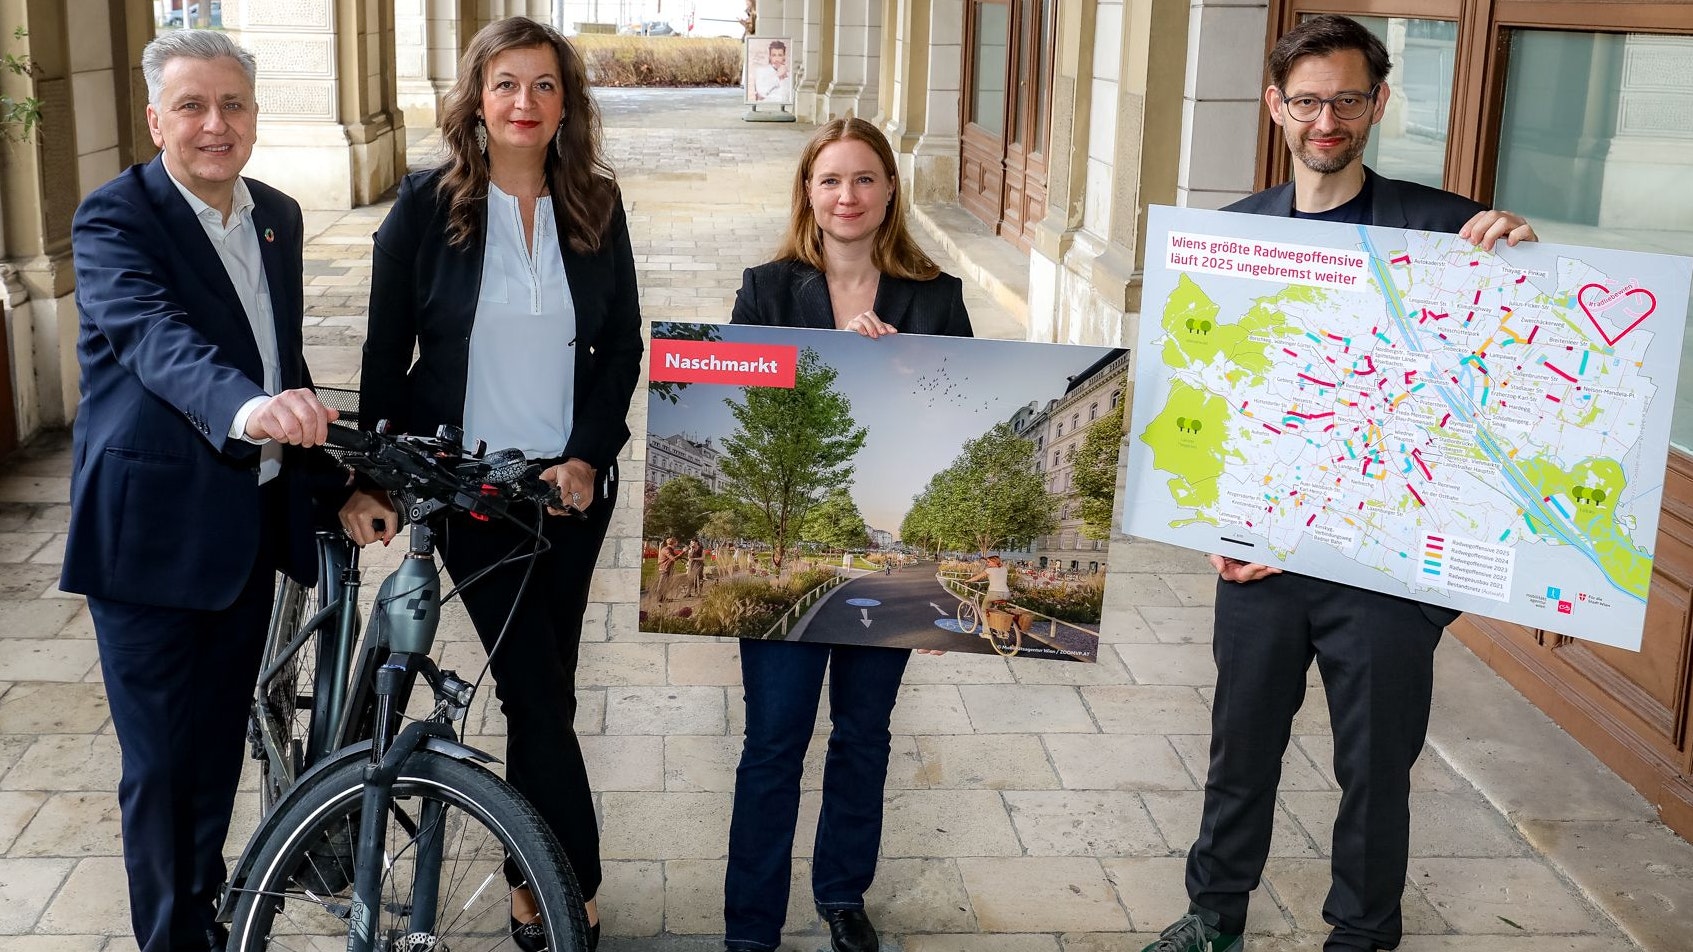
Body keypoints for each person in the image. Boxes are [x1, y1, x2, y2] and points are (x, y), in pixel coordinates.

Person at [1139, 15, 1536, 952]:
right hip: (1262, 563)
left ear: (1377, 105)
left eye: (1347, 99)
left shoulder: (1444, 227)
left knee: (1374, 770)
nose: (1327, 119)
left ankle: (1361, 935)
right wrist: (1207, 518)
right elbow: (1198, 399)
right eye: (1308, 100)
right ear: (1276, 106)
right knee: (1239, 752)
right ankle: (1212, 917)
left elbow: (1515, 358)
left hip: (1385, 575)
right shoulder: (1231, 238)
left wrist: (1524, 248)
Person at [337, 15, 643, 951]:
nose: (524, 102)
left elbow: (621, 345)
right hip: (471, 487)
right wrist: (369, 478)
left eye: (544, 85)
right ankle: (568, 890)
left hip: (569, 490)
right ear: (476, 99)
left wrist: (588, 455)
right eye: (506, 83)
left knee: (548, 684)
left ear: (566, 105)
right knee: (534, 690)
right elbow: (387, 354)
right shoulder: (426, 208)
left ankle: (528, 873)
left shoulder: (595, 202)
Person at [61, 29, 343, 952]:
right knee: (163, 771)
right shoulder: (115, 220)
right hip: (150, 540)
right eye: (191, 106)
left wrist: (342, 477)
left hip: (247, 528)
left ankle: (206, 921)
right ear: (156, 120)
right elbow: (156, 342)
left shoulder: (279, 217)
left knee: (215, 752)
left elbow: (282, 360)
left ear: (255, 116)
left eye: (232, 105)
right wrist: (254, 409)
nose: (214, 125)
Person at [723, 116, 972, 952]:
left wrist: (906, 368)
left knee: (863, 737)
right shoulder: (765, 287)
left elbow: (954, 426)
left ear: (891, 189)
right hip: (788, 537)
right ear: (807, 191)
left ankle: (841, 898)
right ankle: (750, 926)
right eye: (829, 179)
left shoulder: (936, 296)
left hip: (883, 579)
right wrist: (828, 359)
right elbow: (743, 411)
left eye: (863, 178)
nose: (846, 196)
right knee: (772, 744)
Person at [752, 39, 792, 103]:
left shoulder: (789, 74)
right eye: (774, 55)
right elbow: (762, 93)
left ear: (784, 57)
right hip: (764, 106)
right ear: (770, 57)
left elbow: (786, 97)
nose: (777, 59)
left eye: (780, 55)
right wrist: (778, 77)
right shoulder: (761, 71)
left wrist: (782, 77)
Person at [656, 536, 684, 602]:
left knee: (665, 584)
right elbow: (674, 558)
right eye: (676, 542)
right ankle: (659, 599)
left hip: (667, 568)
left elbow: (676, 557)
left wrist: (683, 555)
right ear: (673, 543)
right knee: (662, 584)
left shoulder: (670, 549)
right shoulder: (667, 550)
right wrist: (683, 551)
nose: (677, 543)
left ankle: (664, 598)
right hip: (664, 569)